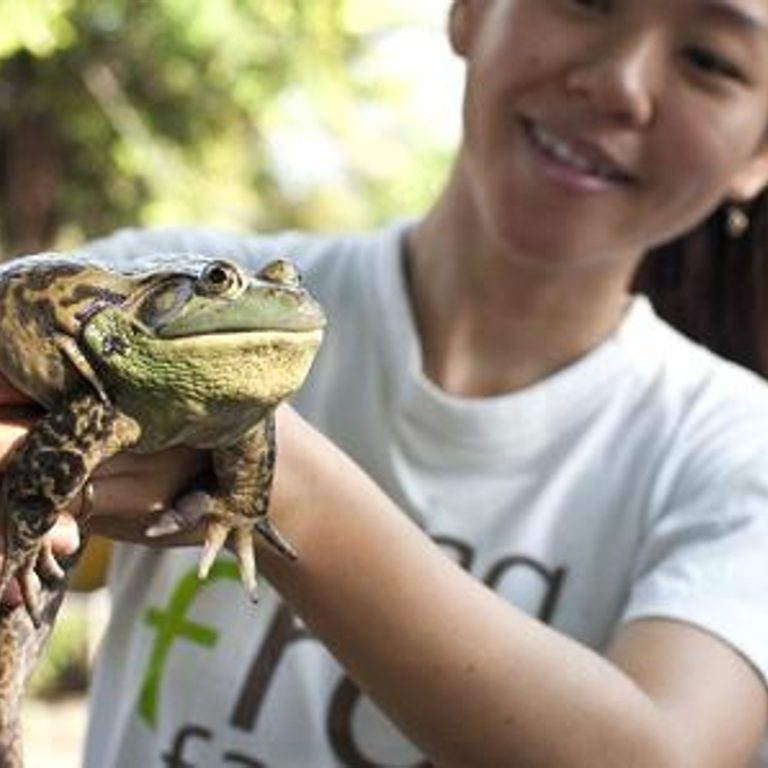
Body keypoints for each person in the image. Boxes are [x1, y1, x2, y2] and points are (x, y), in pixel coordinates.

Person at [4, 0, 768, 765]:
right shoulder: (147, 280)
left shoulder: (738, 449)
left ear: (759, 153)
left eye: (711, 59)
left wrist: (269, 469)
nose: (620, 85)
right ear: (470, 12)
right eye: (587, 0)